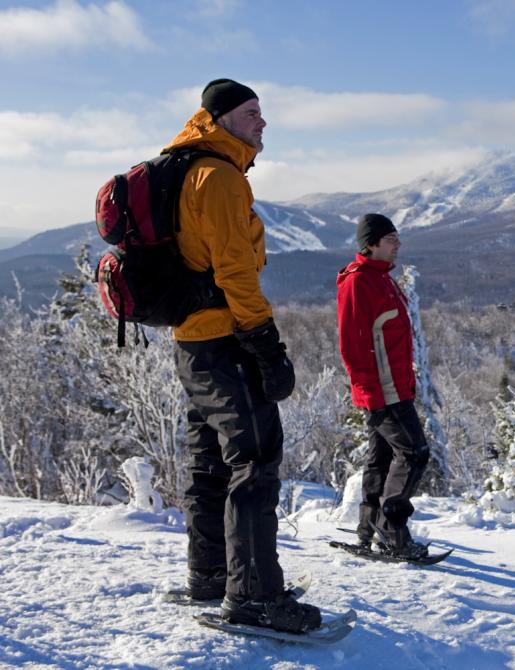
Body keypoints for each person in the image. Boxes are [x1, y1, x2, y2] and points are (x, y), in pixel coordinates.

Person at [167, 78, 320, 633]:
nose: (262, 122)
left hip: (192, 341)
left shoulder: (190, 167)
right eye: (252, 112)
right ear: (220, 117)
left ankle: (213, 575)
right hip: (226, 338)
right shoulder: (220, 176)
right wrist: (266, 343)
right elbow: (235, 269)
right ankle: (253, 597)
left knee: (209, 458)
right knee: (254, 460)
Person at [336, 213, 431, 559]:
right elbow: (352, 345)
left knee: (382, 457)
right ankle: (391, 529)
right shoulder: (358, 283)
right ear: (371, 244)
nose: (398, 245)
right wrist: (370, 393)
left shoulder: (382, 279)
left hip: (396, 387)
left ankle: (369, 529)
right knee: (415, 452)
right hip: (383, 391)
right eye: (391, 239)